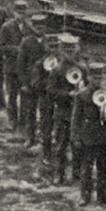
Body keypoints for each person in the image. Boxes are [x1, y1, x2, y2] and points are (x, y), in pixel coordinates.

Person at [70, 63, 106, 206]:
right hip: (88, 135)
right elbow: (76, 117)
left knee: (103, 168)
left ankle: (103, 196)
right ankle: (85, 196)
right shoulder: (82, 95)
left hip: (103, 134)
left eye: (100, 77)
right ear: (89, 77)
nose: (97, 80)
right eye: (95, 77)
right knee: (86, 167)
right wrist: (75, 137)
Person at [46, 35, 83, 181]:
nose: (70, 53)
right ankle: (59, 174)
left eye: (72, 49)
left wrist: (81, 91)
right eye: (67, 50)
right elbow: (51, 91)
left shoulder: (81, 69)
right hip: (63, 112)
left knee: (78, 146)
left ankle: (77, 173)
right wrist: (68, 94)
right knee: (61, 144)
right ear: (62, 51)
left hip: (78, 114)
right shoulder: (56, 70)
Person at [14, 14, 48, 149]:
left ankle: (44, 138)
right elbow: (20, 65)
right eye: (37, 27)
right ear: (33, 27)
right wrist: (23, 83)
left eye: (43, 27)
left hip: (45, 82)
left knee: (45, 112)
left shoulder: (49, 42)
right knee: (30, 111)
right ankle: (30, 137)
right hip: (30, 82)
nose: (40, 30)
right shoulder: (26, 42)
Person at [0, 0, 30, 127]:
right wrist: (17, 50)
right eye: (19, 11)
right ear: (14, 12)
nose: (21, 14)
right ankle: (12, 119)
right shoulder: (6, 27)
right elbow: (1, 46)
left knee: (25, 95)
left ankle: (23, 120)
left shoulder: (30, 27)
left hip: (25, 69)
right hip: (11, 67)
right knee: (12, 95)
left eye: (23, 11)